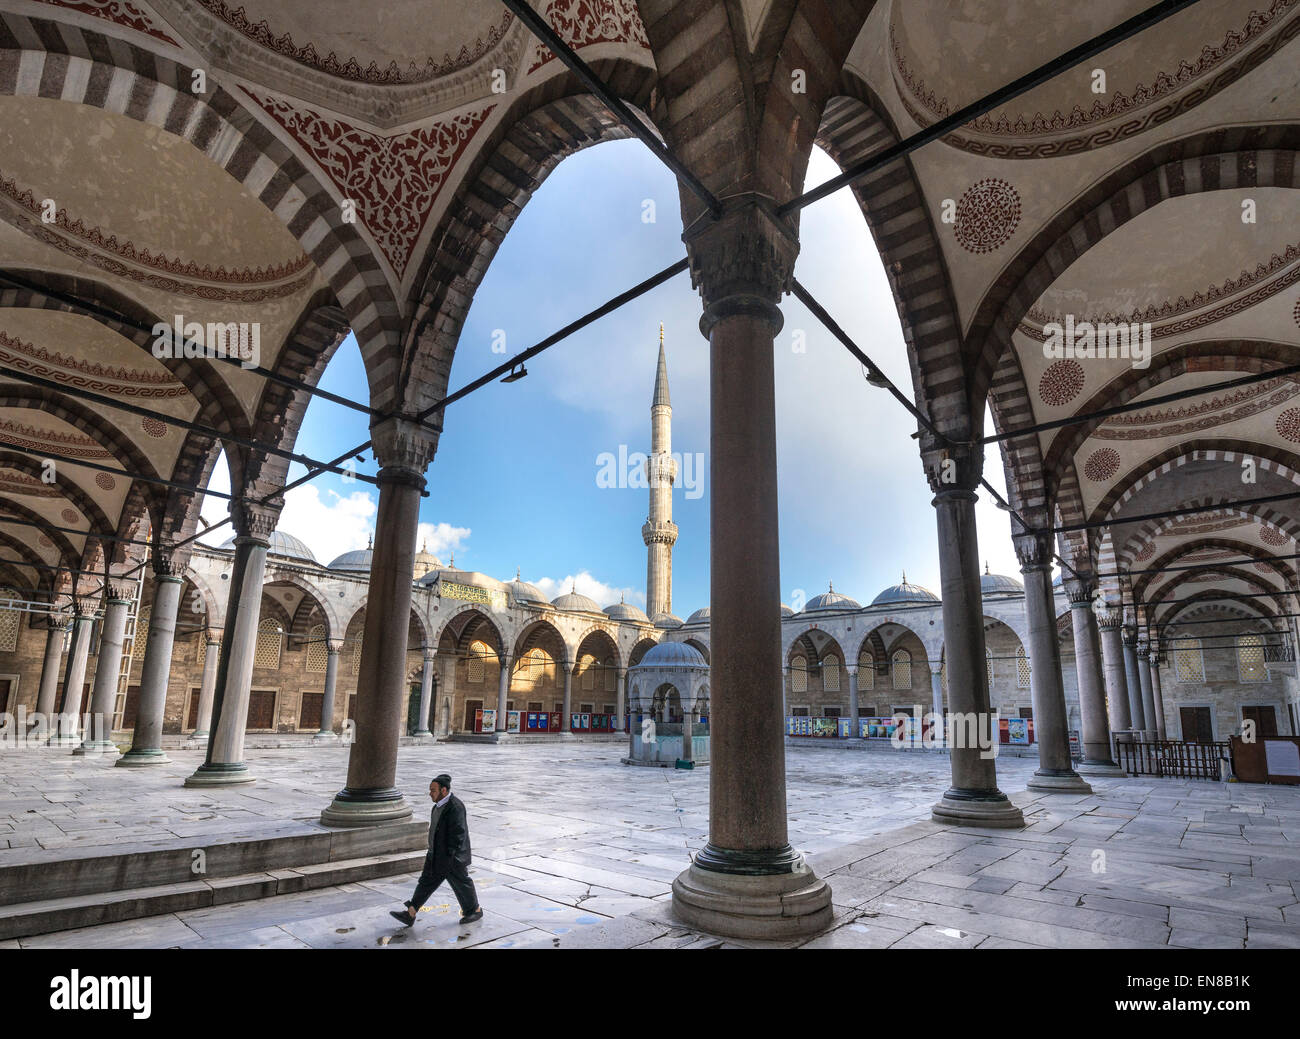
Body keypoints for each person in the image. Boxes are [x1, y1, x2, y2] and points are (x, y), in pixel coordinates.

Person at [389, 773, 482, 926]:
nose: (430, 793)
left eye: (433, 790)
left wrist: (450, 855)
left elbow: (459, 834)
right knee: (425, 882)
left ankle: (475, 910)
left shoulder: (455, 807)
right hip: (435, 854)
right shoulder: (437, 807)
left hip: (450, 858)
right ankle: (410, 913)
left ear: (443, 790)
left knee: (462, 883)